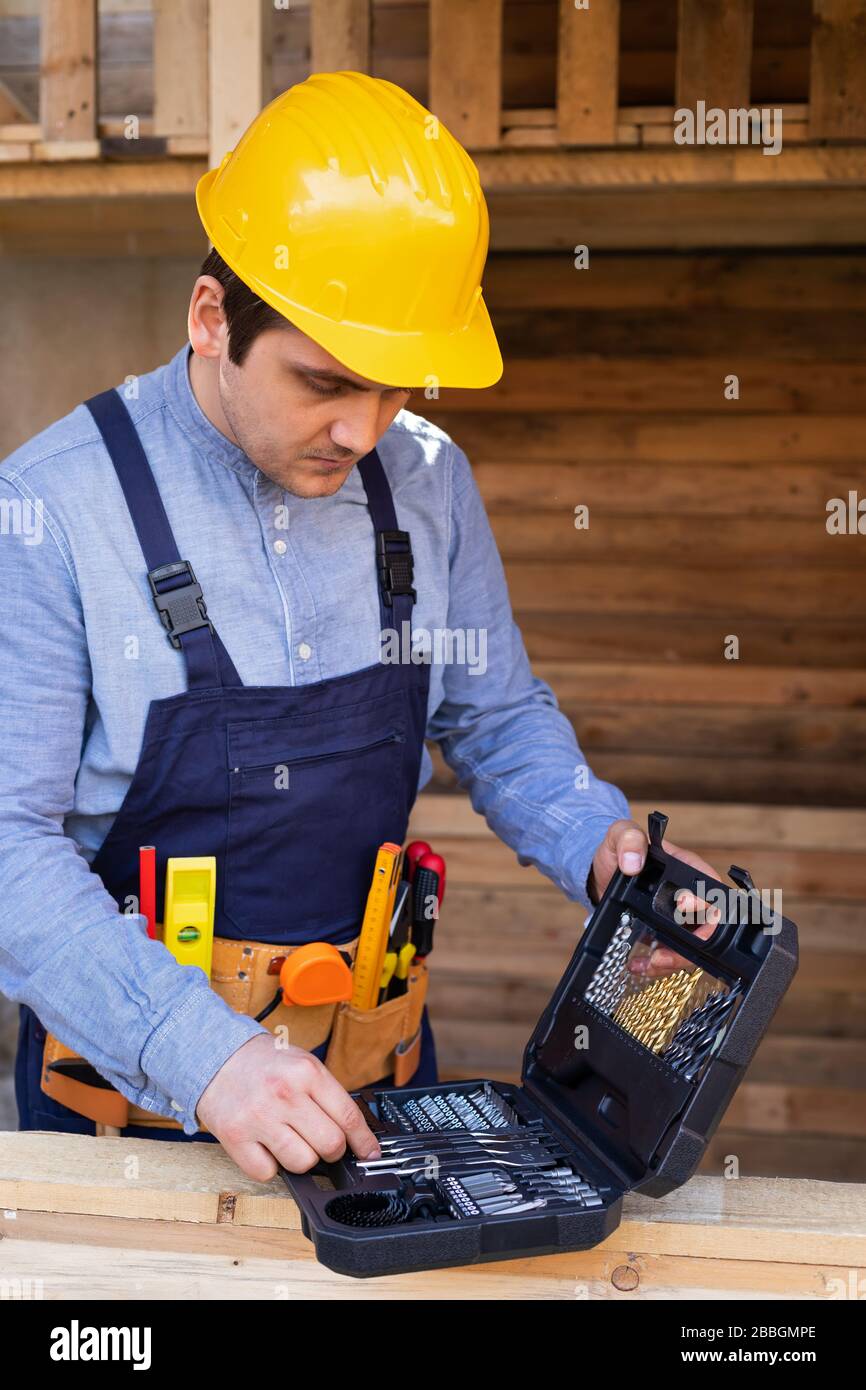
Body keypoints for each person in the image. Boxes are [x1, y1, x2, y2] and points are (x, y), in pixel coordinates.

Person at [0, 73, 721, 1181]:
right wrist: (204, 1055)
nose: (362, 428)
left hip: (374, 1100)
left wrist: (597, 840)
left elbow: (495, 717)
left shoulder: (426, 481)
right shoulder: (49, 510)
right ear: (209, 318)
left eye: (394, 388)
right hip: (126, 1130)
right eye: (325, 381)